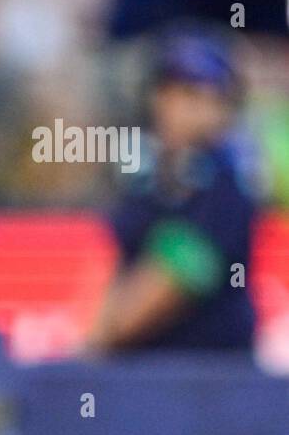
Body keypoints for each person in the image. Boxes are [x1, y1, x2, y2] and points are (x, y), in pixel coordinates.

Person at [85, 31, 260, 354]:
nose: (202, 113)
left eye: (216, 101)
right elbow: (115, 262)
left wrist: (93, 349)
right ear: (158, 98)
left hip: (212, 381)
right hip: (143, 373)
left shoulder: (228, 184)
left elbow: (175, 278)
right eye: (188, 96)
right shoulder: (143, 176)